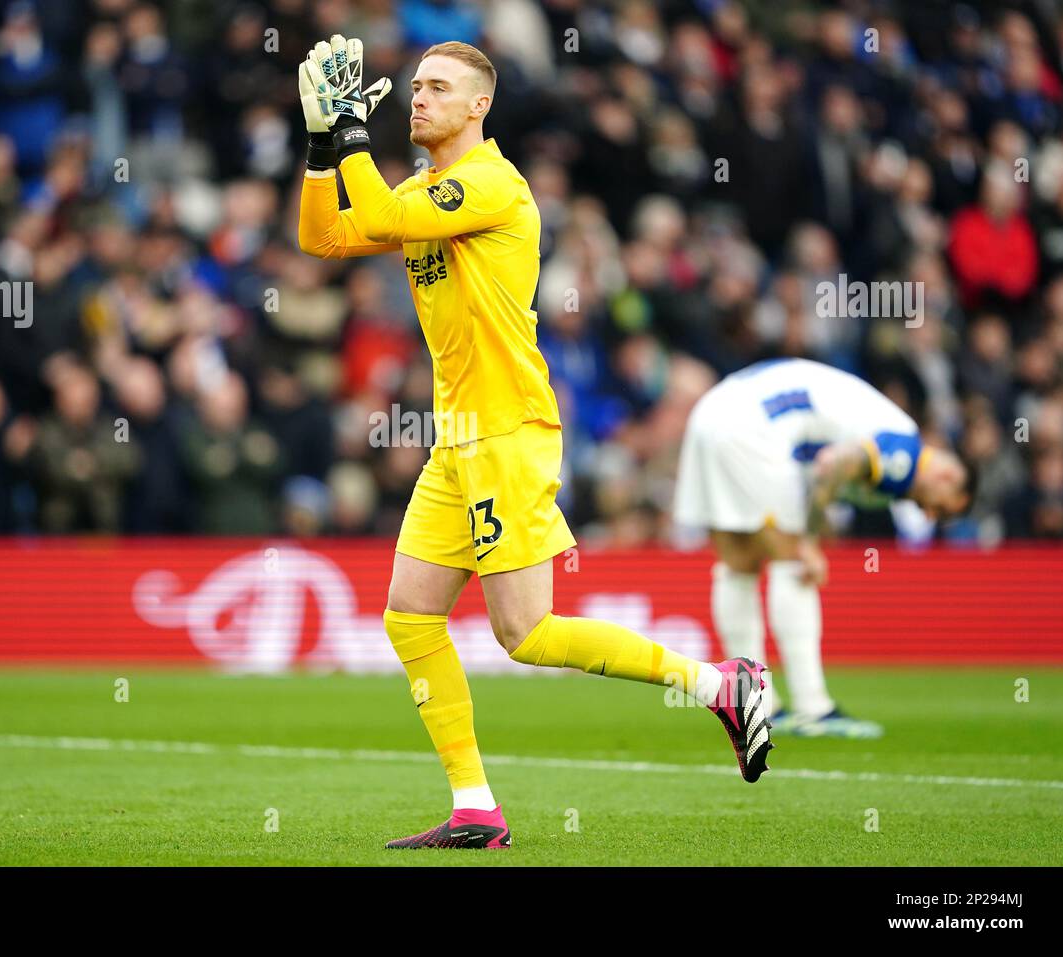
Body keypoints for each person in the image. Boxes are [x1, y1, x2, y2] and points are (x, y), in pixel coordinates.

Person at [298, 35, 773, 851]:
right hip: (458, 437)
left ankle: (719, 682)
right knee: (411, 616)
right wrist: (319, 146)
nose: (419, 99)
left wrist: (348, 129)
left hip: (510, 430)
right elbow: (325, 239)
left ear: (479, 106)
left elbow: (372, 214)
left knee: (527, 633)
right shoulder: (428, 185)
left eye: (439, 88)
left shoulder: (488, 184)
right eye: (415, 87)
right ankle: (475, 805)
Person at [673, 357, 972, 738]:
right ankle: (814, 707)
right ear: (947, 475)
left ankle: (752, 705)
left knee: (738, 563)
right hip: (752, 428)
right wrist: (810, 543)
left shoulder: (884, 423)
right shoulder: (904, 447)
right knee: (794, 562)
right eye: (938, 506)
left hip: (712, 412)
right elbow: (833, 466)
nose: (929, 514)